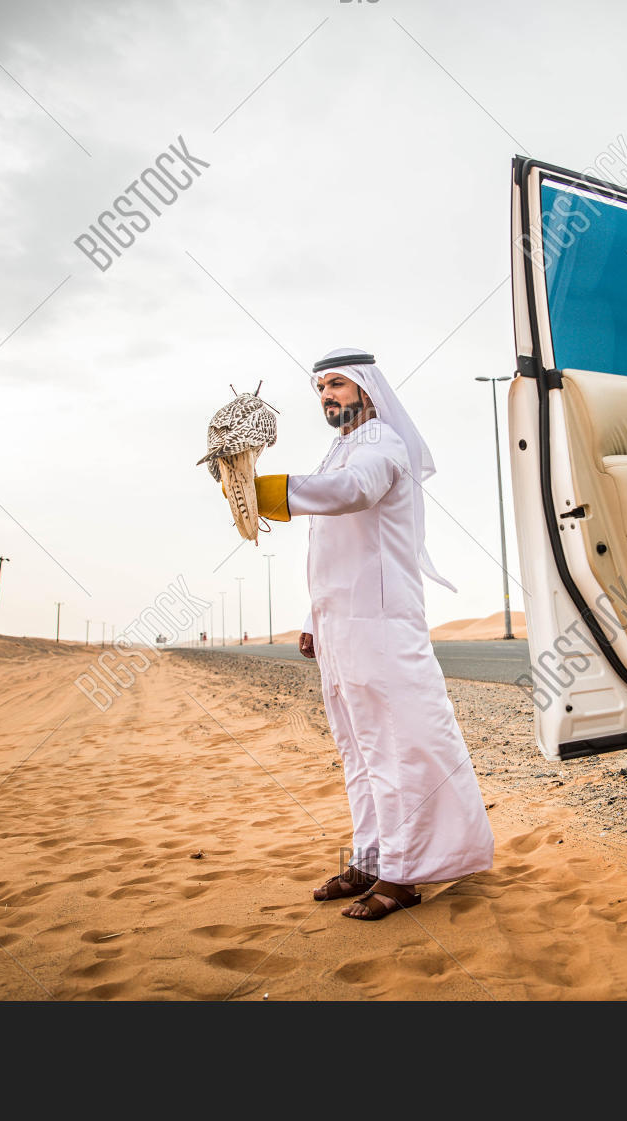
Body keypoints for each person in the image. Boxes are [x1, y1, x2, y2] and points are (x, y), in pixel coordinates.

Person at [251, 347, 495, 920]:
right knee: (357, 749)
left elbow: (352, 494)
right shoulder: (340, 447)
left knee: (397, 747)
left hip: (382, 626)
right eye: (320, 388)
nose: (327, 396)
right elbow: (332, 550)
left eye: (336, 384)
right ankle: (369, 857)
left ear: (365, 388)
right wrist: (314, 619)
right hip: (341, 628)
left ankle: (404, 876)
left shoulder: (382, 441)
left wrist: (266, 492)